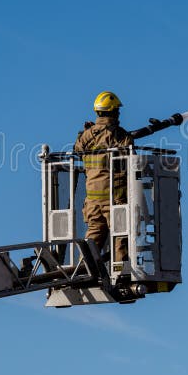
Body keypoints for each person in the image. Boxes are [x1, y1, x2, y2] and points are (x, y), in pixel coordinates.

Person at [74, 91, 134, 265]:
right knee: (120, 235)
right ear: (114, 112)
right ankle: (120, 271)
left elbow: (77, 150)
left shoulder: (86, 136)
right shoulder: (121, 136)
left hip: (92, 201)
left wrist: (87, 131)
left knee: (93, 236)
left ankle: (83, 268)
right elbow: (131, 159)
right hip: (114, 198)